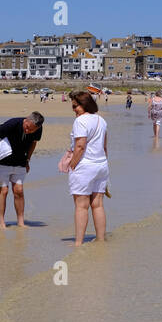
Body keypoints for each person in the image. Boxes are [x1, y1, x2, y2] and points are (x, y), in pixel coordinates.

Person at [0, 112, 45, 228]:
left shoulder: (38, 129)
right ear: (26, 120)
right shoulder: (11, 124)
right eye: (27, 128)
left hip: (20, 163)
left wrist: (27, 160)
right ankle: (2, 223)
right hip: (2, 163)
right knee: (3, 191)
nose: (28, 131)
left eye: (32, 130)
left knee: (19, 191)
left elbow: (33, 143)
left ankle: (21, 222)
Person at [66, 90, 109, 246]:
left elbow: (80, 146)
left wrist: (72, 165)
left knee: (81, 206)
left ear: (83, 105)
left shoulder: (81, 121)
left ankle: (78, 243)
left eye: (75, 106)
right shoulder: (101, 120)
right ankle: (100, 239)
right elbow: (104, 147)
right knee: (97, 204)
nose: (74, 110)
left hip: (85, 166)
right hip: (101, 165)